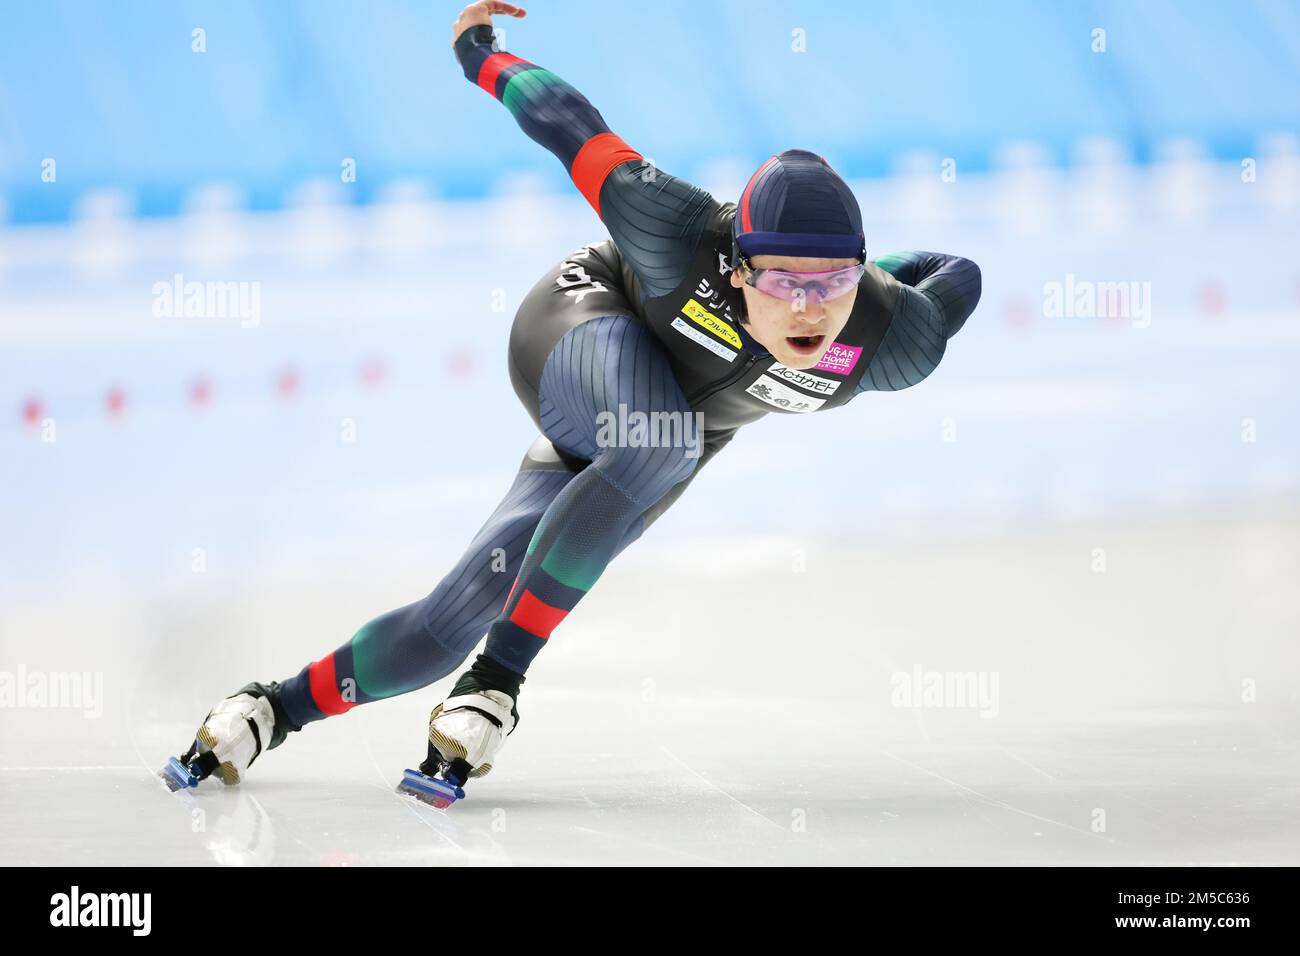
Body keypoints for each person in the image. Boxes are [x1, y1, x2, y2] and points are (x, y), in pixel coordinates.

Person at [164, 1, 982, 795]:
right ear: (736, 268)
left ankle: (269, 709)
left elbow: (958, 276)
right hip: (581, 329)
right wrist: (480, 53)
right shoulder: (673, 229)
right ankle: (497, 682)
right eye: (780, 281)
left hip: (649, 444)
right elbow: (567, 122)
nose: (807, 309)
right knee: (659, 441)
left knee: (453, 620)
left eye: (831, 282)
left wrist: (877, 279)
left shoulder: (890, 340)